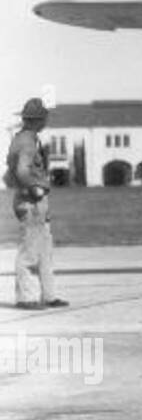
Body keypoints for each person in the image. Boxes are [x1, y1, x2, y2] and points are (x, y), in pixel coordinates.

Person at [7, 98, 68, 310]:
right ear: (37, 120)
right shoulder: (27, 142)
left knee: (44, 250)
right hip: (31, 200)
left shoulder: (24, 138)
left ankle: (49, 295)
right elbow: (22, 171)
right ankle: (26, 298)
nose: (46, 120)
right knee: (30, 251)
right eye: (43, 117)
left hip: (35, 201)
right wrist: (34, 188)